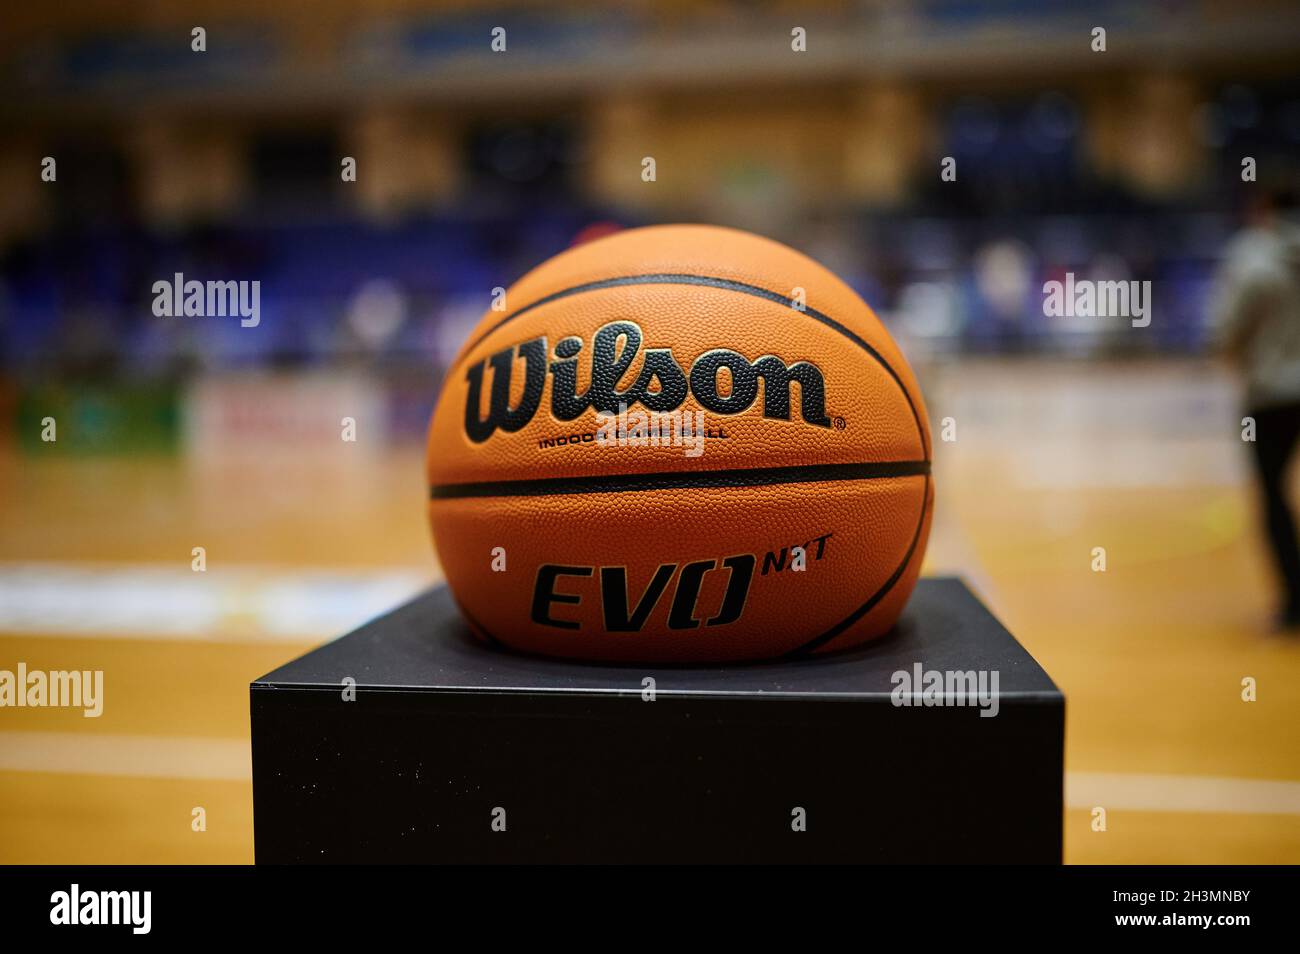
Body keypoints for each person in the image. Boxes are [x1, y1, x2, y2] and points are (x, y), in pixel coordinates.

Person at [1213, 186, 1300, 632]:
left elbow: (1227, 332)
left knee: (1273, 498)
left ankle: (1293, 600)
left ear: (1266, 211)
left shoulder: (1254, 263)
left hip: (1269, 397)